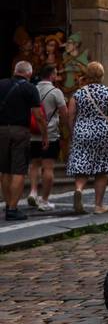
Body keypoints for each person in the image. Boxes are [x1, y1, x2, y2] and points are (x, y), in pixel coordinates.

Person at [67, 62, 108, 214]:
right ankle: (98, 205)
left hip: (81, 132)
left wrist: (73, 132)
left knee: (82, 164)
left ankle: (79, 189)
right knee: (102, 169)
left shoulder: (78, 94)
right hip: (103, 133)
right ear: (101, 75)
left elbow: (71, 115)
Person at [0, 60, 48, 221]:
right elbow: (38, 115)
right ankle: (13, 209)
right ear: (29, 73)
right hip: (20, 131)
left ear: (15, 70)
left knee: (5, 170)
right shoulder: (30, 88)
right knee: (18, 170)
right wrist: (44, 135)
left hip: (1, 130)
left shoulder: (1, 84)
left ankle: (8, 204)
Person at [27, 63, 69, 211]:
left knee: (34, 164)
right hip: (50, 134)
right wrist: (65, 128)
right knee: (48, 167)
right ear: (51, 75)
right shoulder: (56, 92)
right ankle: (44, 200)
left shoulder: (32, 89)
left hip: (33, 134)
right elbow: (64, 114)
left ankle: (33, 191)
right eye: (55, 74)